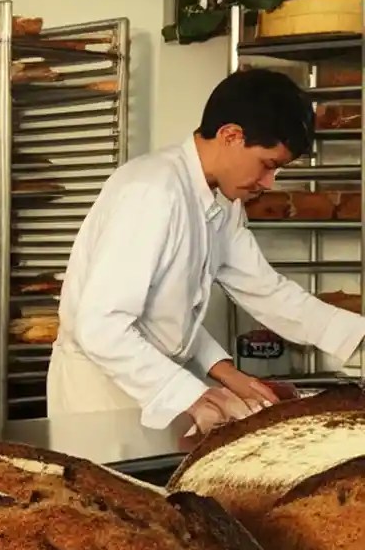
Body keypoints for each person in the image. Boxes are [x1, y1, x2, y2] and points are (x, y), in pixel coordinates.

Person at [47, 68, 365, 434]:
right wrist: (189, 394)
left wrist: (225, 371)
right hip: (100, 396)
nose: (268, 183)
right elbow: (100, 325)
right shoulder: (153, 192)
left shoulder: (222, 202)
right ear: (231, 135)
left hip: (153, 384)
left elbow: (266, 293)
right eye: (268, 165)